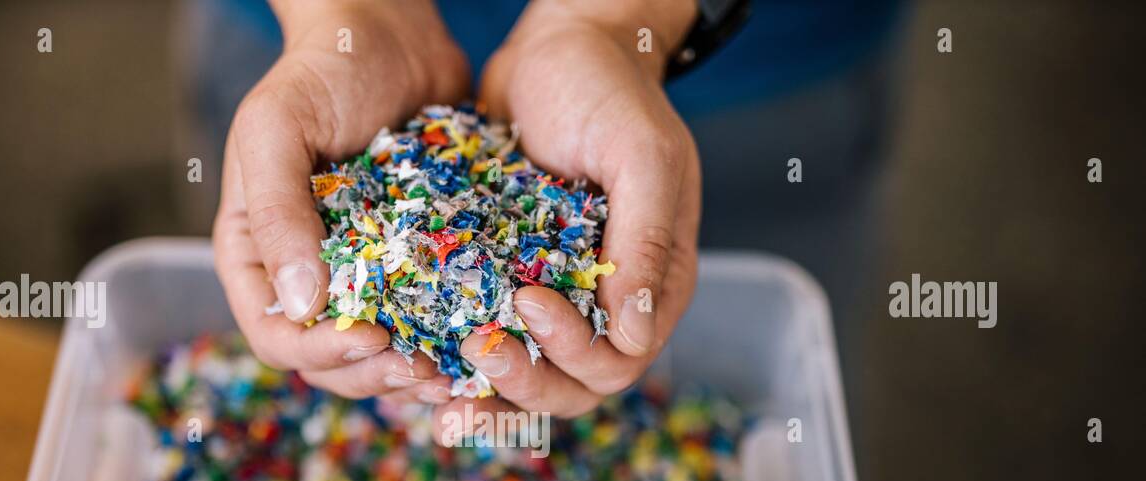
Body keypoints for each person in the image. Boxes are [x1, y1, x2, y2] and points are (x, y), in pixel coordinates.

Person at [195, 0, 906, 444]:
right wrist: (343, 14)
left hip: (750, 72)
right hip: (299, 32)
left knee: (771, 395)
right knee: (306, 352)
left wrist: (621, 17)